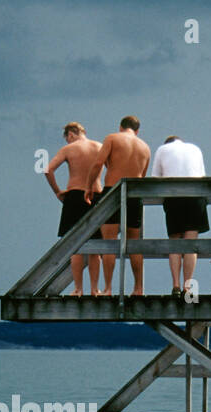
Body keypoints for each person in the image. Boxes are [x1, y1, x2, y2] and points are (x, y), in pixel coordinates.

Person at [85, 115, 151, 296]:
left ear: (121, 127)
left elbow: (98, 163)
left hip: (113, 192)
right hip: (135, 194)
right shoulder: (145, 147)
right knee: (134, 243)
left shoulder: (112, 138)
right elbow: (143, 176)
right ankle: (138, 288)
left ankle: (107, 288)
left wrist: (89, 186)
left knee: (109, 242)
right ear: (137, 131)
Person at [44, 122, 103, 297]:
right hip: (97, 196)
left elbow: (48, 170)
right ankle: (95, 289)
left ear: (70, 134)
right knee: (96, 246)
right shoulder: (100, 146)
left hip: (75, 195)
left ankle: (78, 289)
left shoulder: (69, 149)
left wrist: (57, 192)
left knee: (75, 246)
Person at [148, 135, 209, 298]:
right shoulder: (195, 148)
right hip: (195, 195)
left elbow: (155, 179)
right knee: (190, 244)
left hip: (173, 195)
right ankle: (188, 288)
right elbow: (203, 176)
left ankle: (175, 285)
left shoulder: (162, 150)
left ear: (167, 143)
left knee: (174, 242)